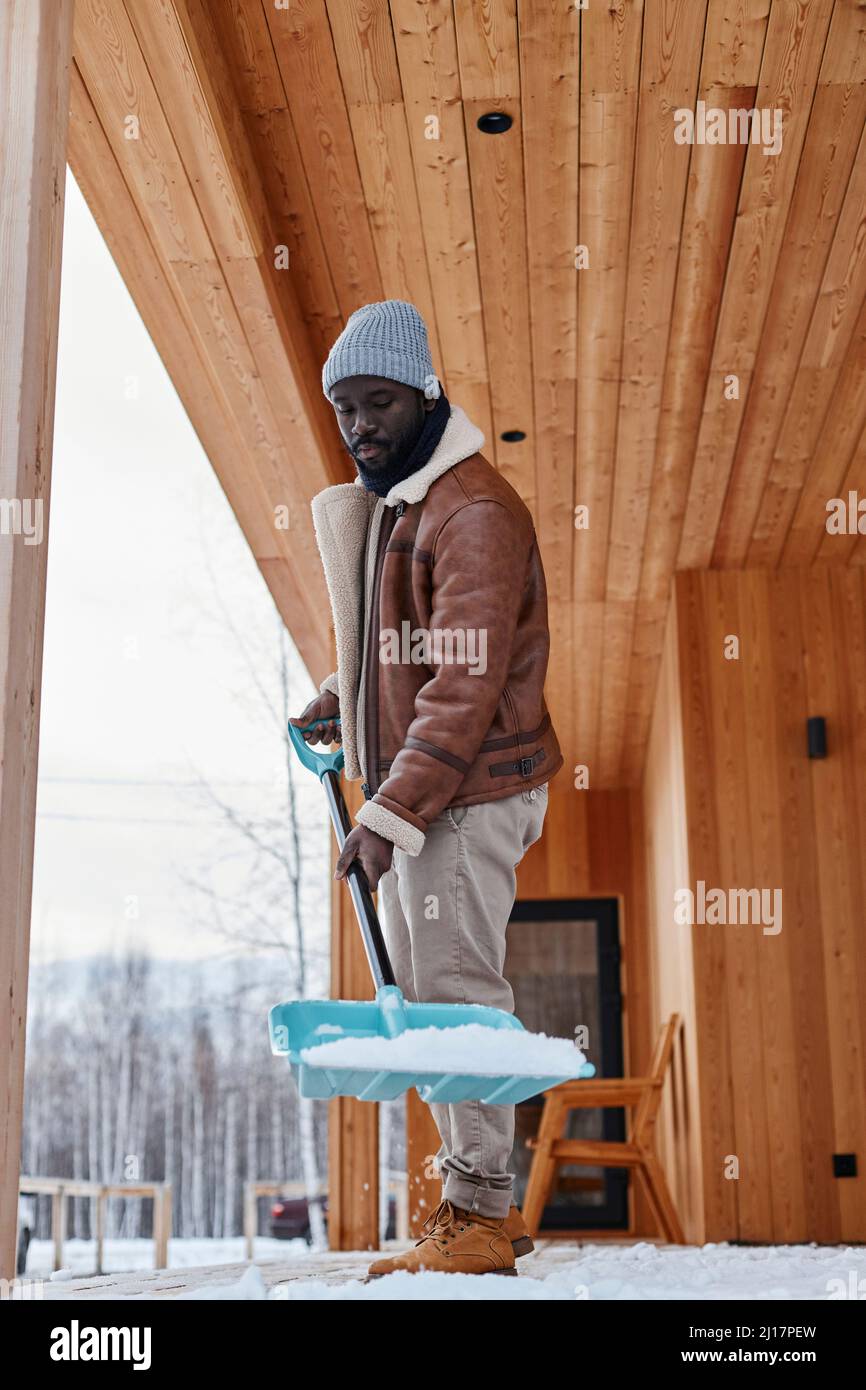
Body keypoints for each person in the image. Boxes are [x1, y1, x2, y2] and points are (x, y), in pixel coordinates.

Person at [289, 300, 562, 1278]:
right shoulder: (411, 501)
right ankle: (479, 1202)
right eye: (344, 409)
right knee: (426, 989)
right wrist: (341, 698)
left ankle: (478, 1213)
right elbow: (408, 648)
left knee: (449, 992)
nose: (359, 424)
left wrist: (386, 810)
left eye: (378, 402)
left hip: (464, 791)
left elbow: (461, 684)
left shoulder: (470, 510)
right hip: (436, 786)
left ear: (425, 394)